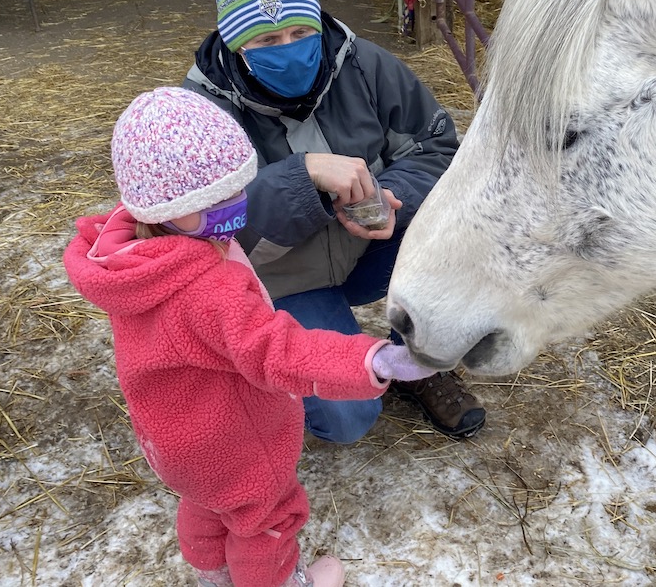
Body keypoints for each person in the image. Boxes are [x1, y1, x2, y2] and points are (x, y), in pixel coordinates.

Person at [64, 87, 436, 587]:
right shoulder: (208, 287)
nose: (231, 210)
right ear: (161, 208)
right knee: (266, 521)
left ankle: (215, 574)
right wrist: (373, 361)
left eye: (237, 190)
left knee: (206, 504)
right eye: (209, 203)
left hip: (174, 439)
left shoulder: (131, 259)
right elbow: (278, 350)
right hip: (236, 439)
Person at [181, 0, 486, 441]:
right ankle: (270, 374)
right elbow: (202, 232)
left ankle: (417, 365)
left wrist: (389, 194)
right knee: (348, 421)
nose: (290, 48)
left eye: (301, 31)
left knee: (468, 240)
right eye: (266, 40)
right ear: (234, 45)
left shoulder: (363, 64)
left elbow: (438, 145)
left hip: (363, 247)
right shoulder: (199, 112)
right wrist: (302, 180)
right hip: (280, 278)